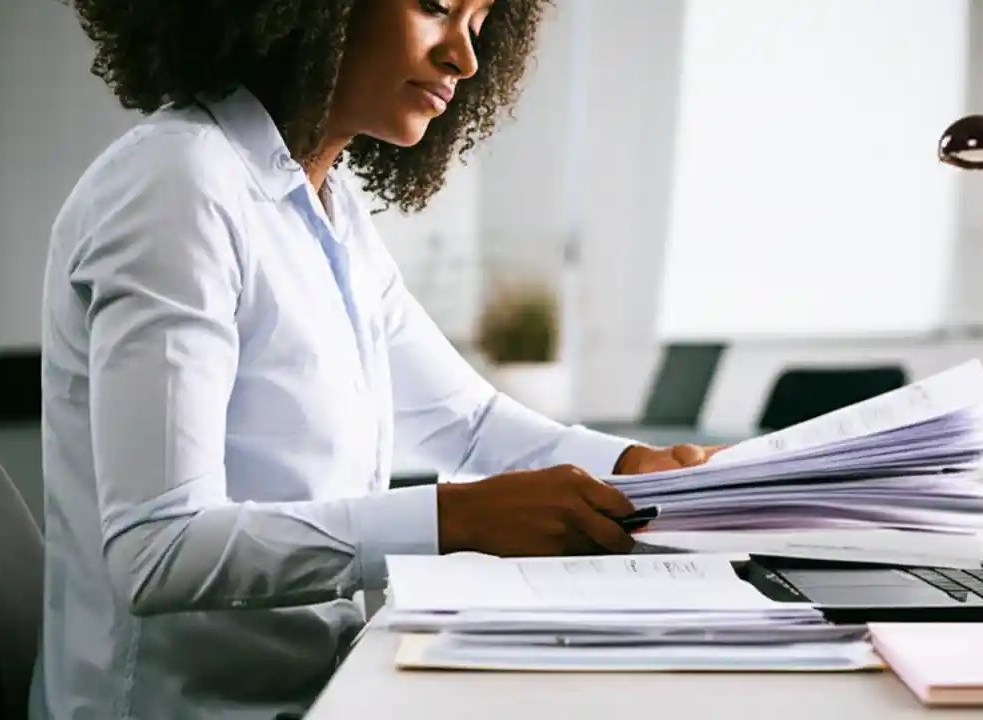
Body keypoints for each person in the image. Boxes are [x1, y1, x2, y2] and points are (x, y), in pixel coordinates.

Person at [35, 1, 719, 717]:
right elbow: (157, 549)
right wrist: (451, 520)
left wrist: (637, 469)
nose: (464, 58)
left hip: (320, 693)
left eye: (479, 24)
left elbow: (470, 424)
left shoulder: (323, 204)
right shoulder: (178, 183)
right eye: (435, 7)